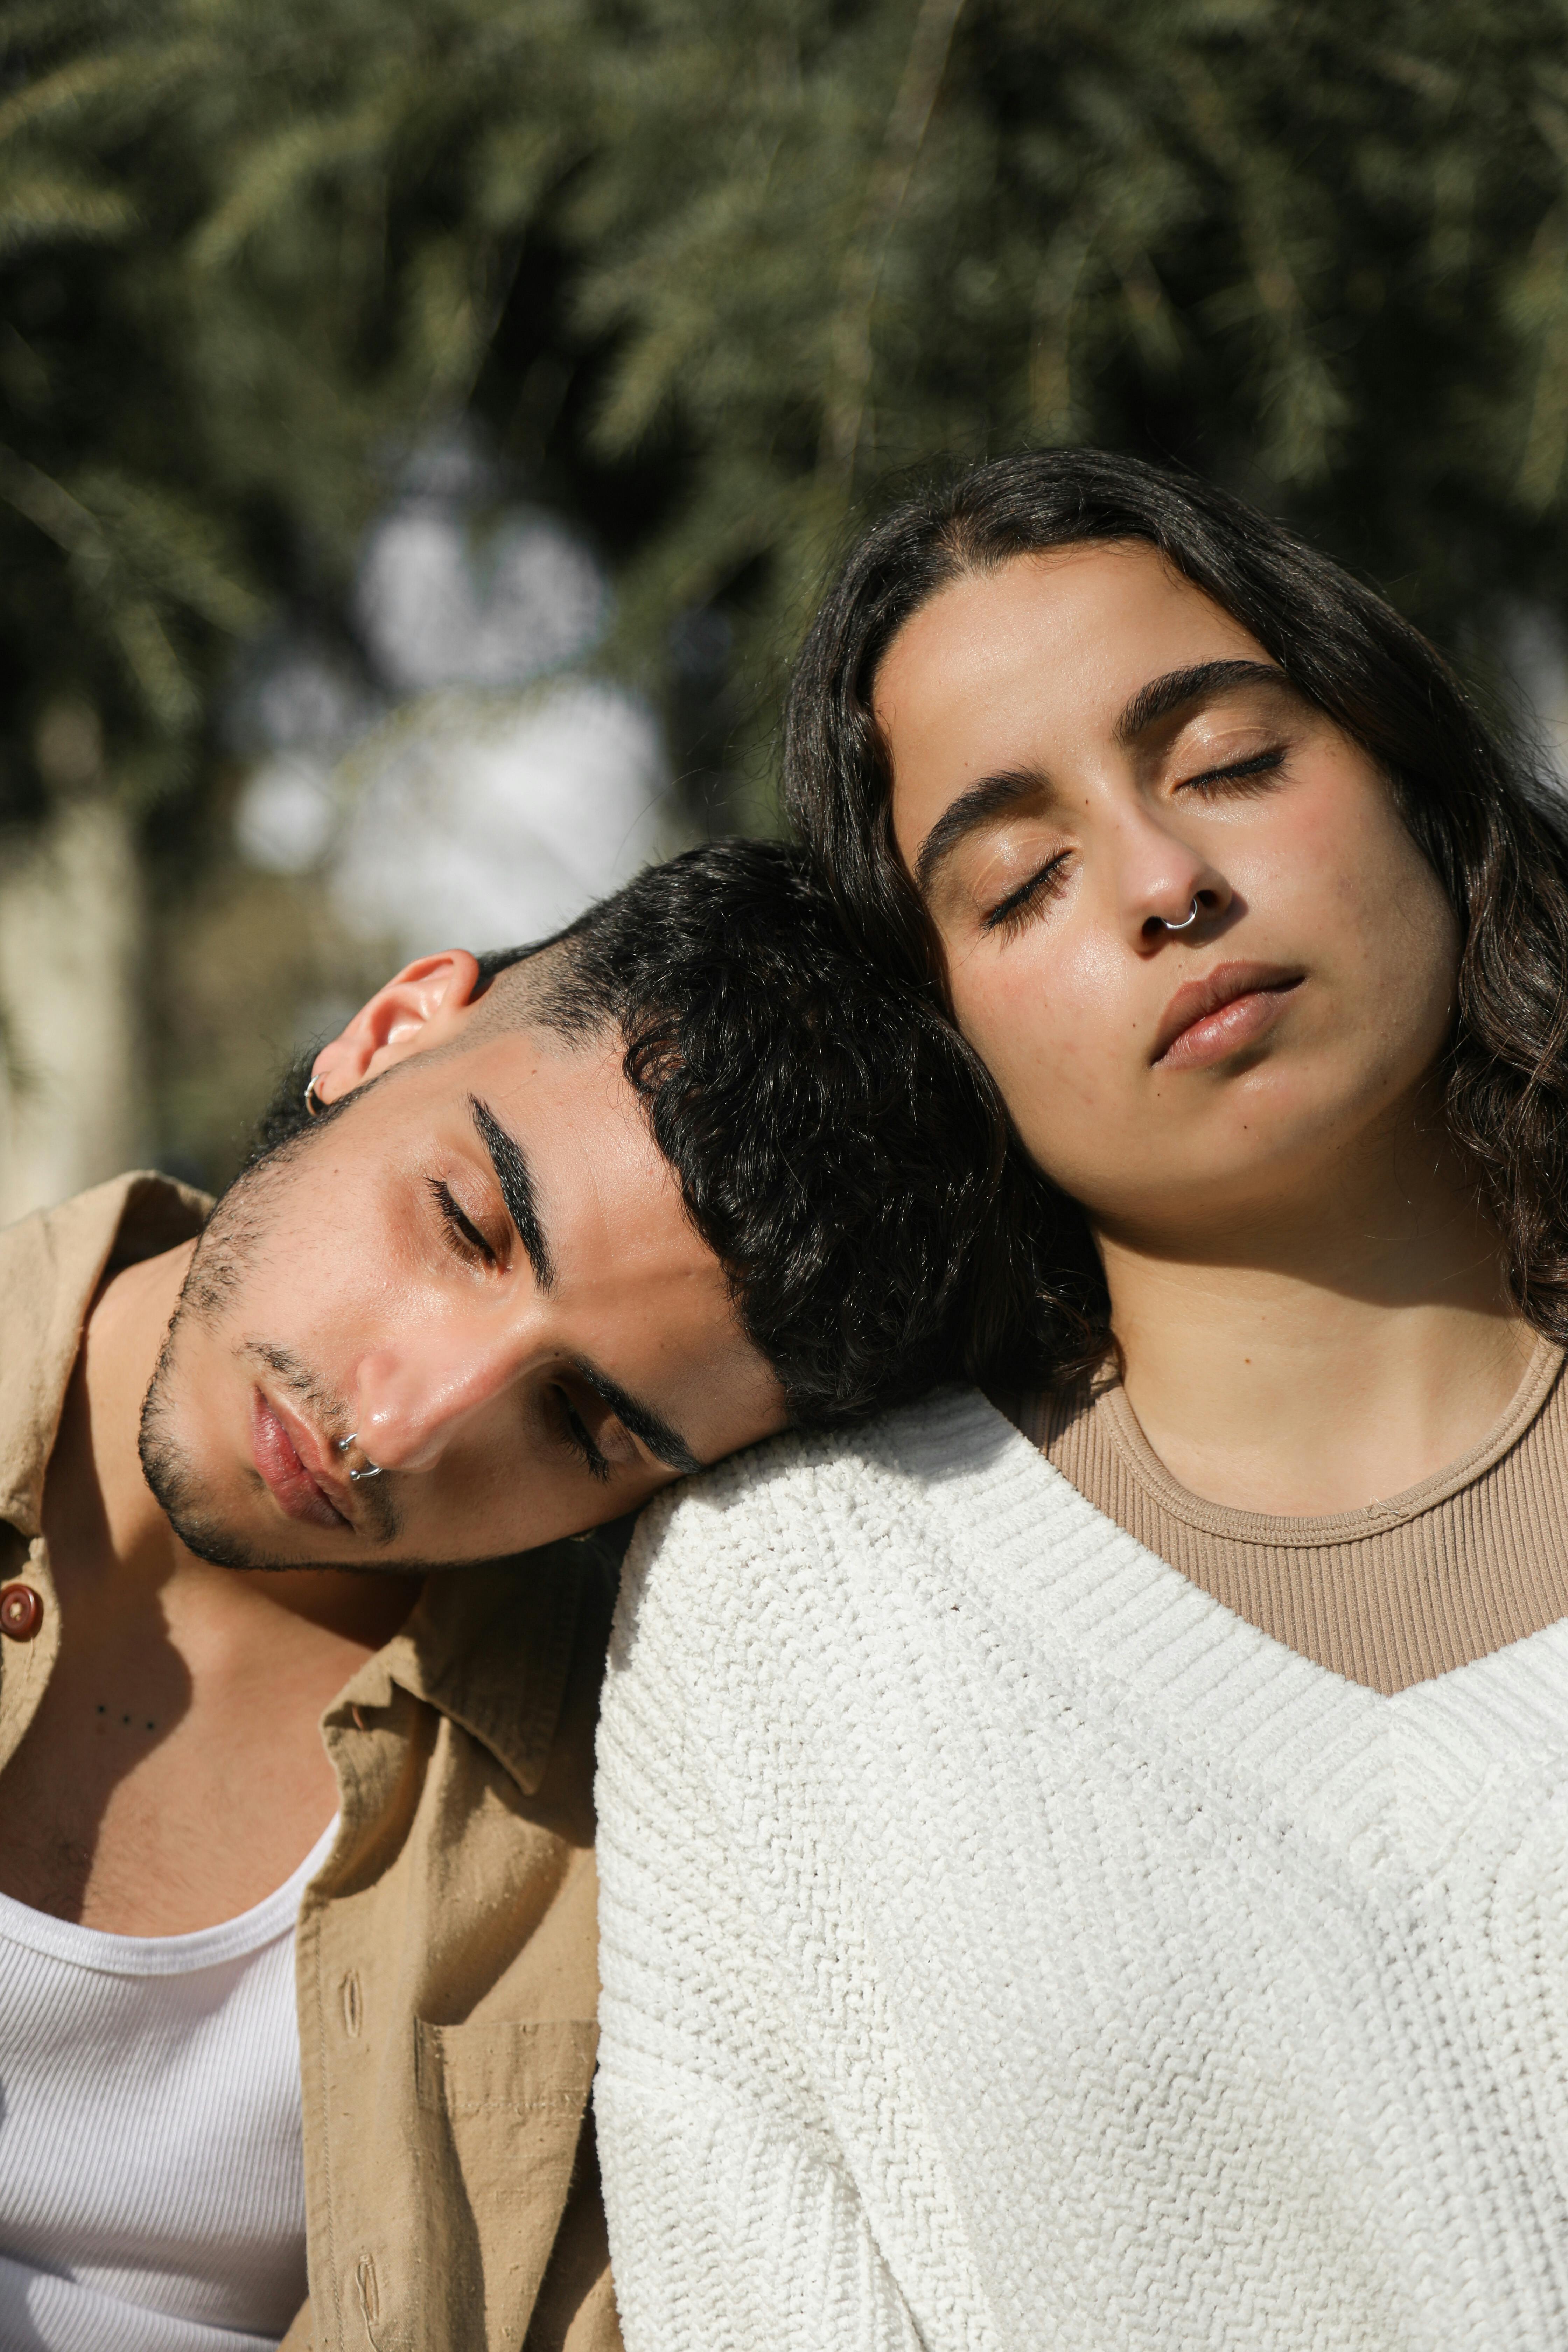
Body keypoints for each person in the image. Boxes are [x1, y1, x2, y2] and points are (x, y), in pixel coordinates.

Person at [594, 453, 1568, 2349]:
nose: (1162, 885)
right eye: (1018, 880)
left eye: (1227, 766)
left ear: (1413, 781)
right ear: (941, 1024)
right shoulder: (787, 1618)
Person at [0, 838, 1036, 2352]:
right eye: (469, 1225)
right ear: (389, 1030)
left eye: (583, 1424)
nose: (407, 1424)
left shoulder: (613, 1861)